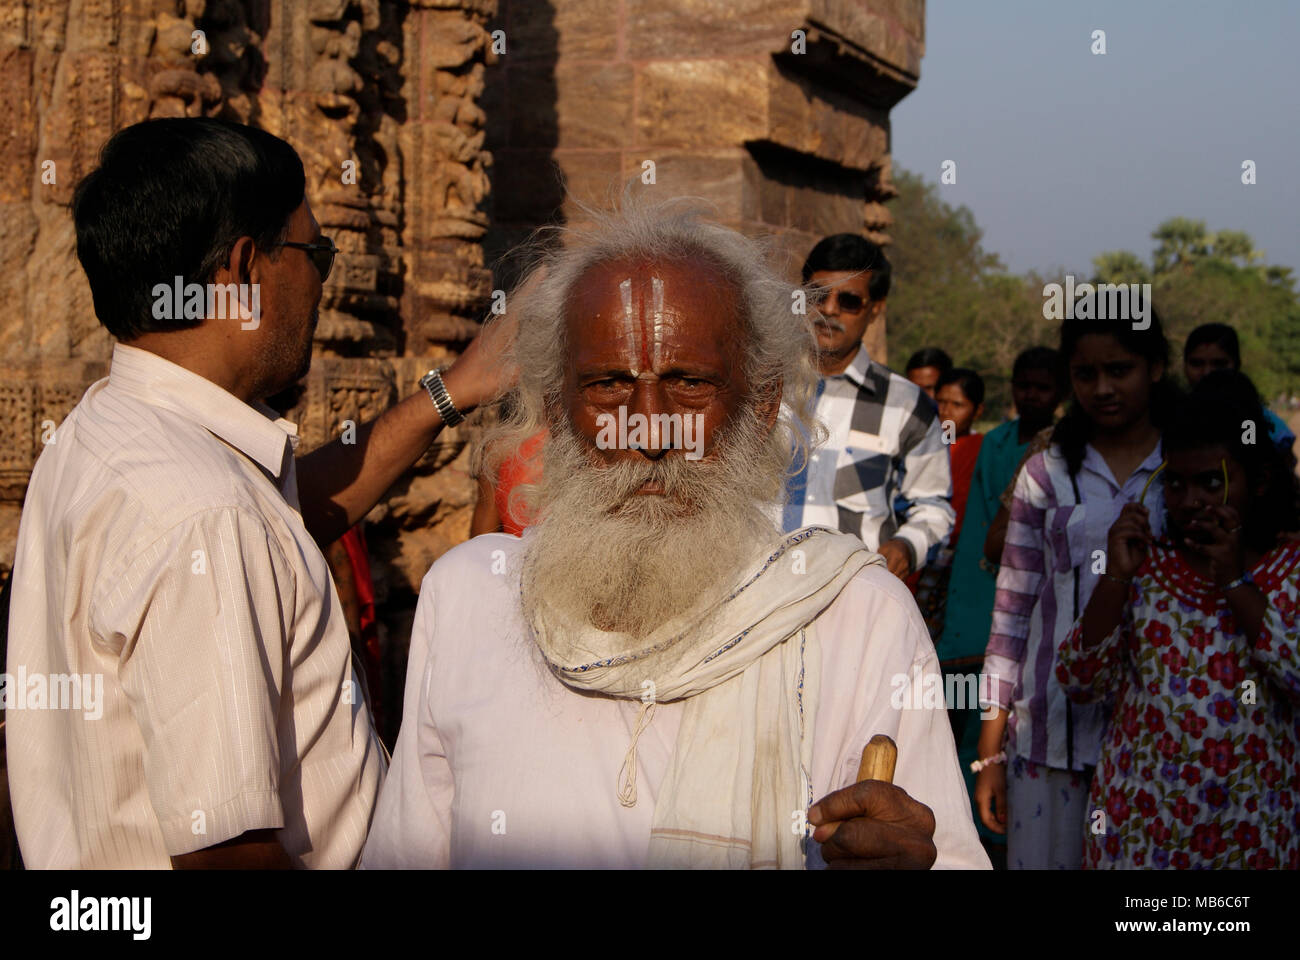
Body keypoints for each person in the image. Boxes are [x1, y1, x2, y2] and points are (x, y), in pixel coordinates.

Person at [361, 198, 989, 869]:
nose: (648, 427)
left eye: (689, 383)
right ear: (555, 408)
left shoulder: (856, 618)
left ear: (761, 403)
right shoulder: (470, 597)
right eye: (607, 384)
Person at [5, 118, 512, 868]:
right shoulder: (204, 516)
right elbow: (227, 855)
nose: (321, 280)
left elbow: (287, 513)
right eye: (315, 253)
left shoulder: (110, 433)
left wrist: (454, 389)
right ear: (245, 270)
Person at [1059, 371, 1300, 869]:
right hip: (1141, 834)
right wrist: (1115, 577)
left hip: (1254, 833)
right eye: (1175, 482)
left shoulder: (1290, 569)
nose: (1191, 501)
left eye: (1211, 482)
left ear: (1259, 481)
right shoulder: (1147, 566)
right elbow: (1079, 681)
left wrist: (1233, 582)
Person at [976, 305, 1176, 870]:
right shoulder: (1046, 474)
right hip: (1048, 736)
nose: (1103, 388)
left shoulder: (1186, 473)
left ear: (1155, 367)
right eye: (1087, 375)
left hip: (1161, 739)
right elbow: (1013, 611)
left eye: (1121, 370)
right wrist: (990, 749)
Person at [933, 350, 1066, 859]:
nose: (1031, 395)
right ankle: (974, 843)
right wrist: (967, 621)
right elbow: (980, 543)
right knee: (974, 733)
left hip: (1041, 618)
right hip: (988, 611)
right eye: (1023, 385)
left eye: (1042, 386)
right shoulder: (995, 445)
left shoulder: (1063, 451)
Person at [781, 234, 954, 582]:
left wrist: (906, 545)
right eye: (818, 295)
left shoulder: (908, 406)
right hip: (756, 602)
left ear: (875, 308)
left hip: (851, 600)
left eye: (848, 300)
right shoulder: (758, 385)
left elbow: (933, 508)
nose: (829, 309)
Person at [1183, 323, 1296, 464]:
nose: (1207, 372)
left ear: (1236, 365)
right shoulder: (1169, 418)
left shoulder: (1257, 422)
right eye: (1197, 363)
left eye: (1219, 364)